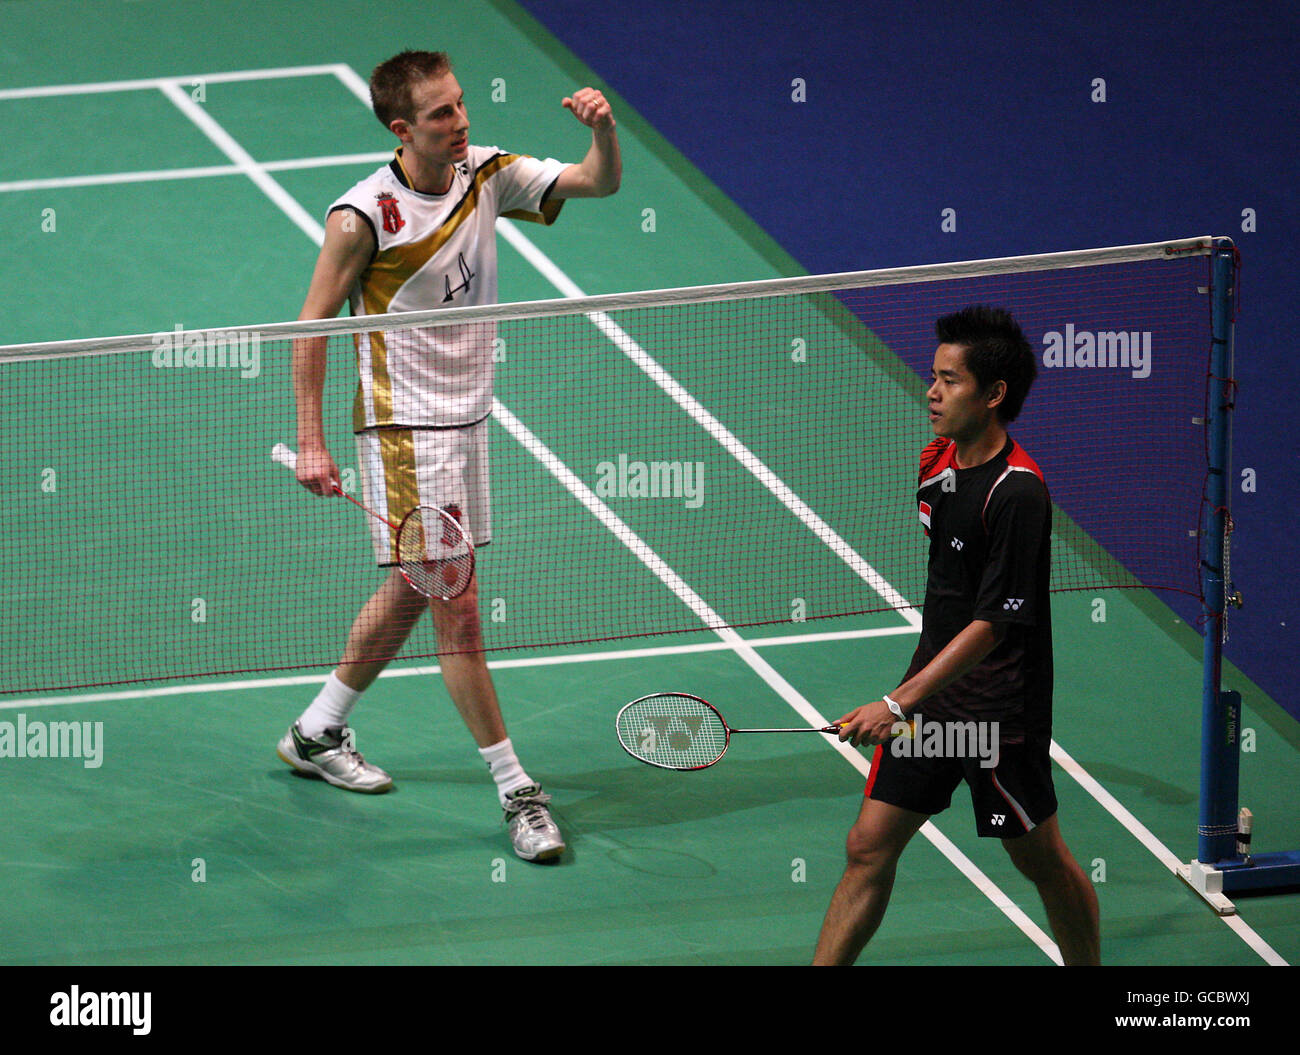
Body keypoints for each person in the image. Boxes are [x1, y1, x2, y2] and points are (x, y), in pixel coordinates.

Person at [276, 50, 621, 862]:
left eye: (461, 105)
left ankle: (317, 730)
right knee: (456, 606)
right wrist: (314, 440)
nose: (461, 122)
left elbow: (596, 183)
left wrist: (604, 134)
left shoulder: (486, 174)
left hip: (467, 420)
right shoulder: (363, 217)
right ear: (402, 129)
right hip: (405, 429)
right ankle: (517, 789)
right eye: (441, 115)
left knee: (414, 581)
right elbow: (311, 327)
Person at [813, 305, 1100, 964]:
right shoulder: (936, 459)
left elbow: (995, 622)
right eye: (932, 375)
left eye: (950, 380)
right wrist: (914, 700)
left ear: (994, 394)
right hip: (933, 702)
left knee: (1041, 861)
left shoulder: (1018, 493)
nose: (932, 391)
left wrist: (896, 702)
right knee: (867, 846)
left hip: (998, 716)